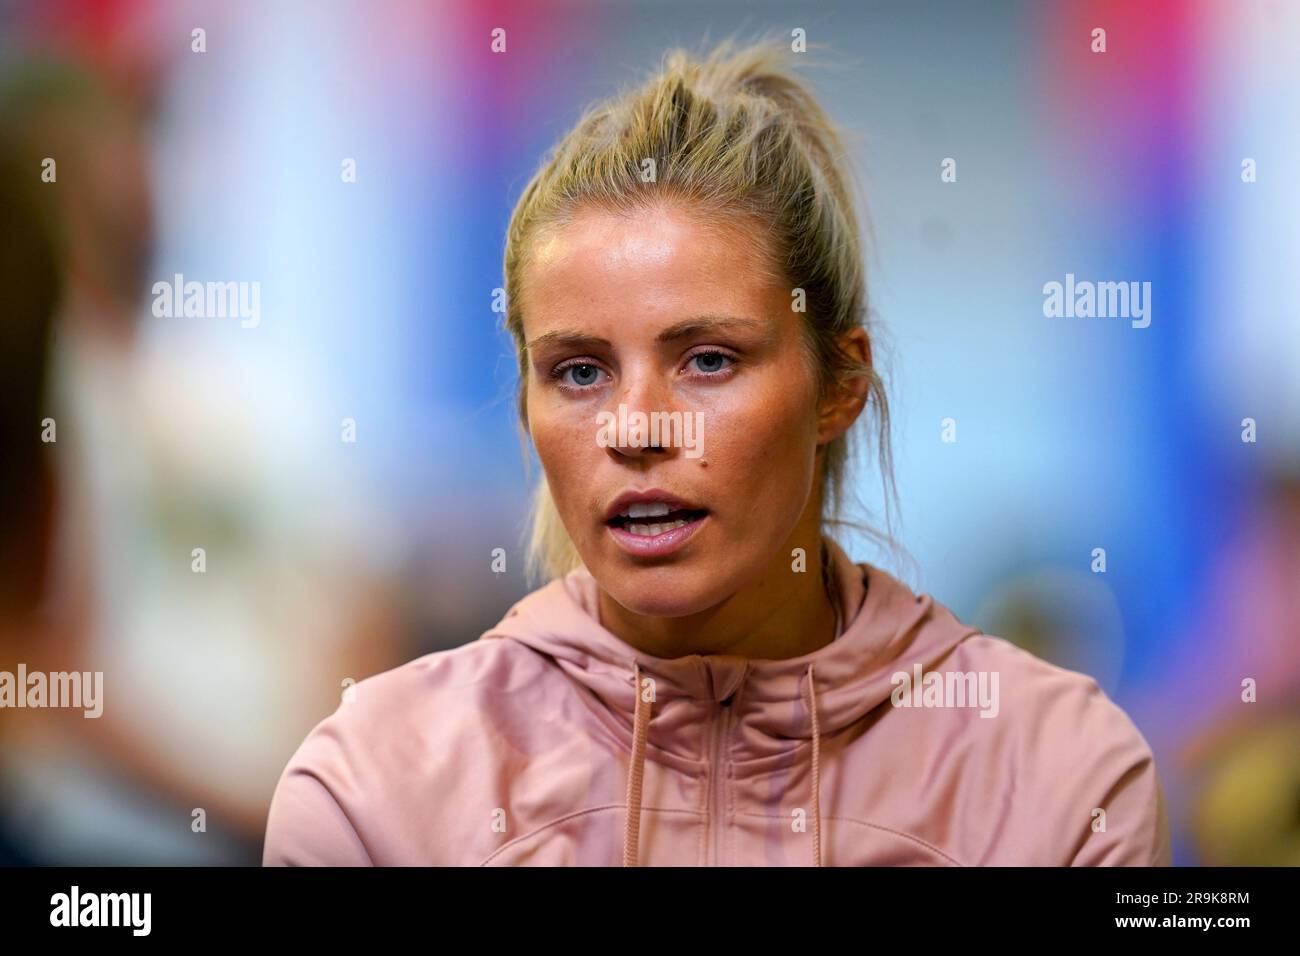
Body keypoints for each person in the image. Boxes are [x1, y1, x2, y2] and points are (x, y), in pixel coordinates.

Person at [263, 39, 1170, 867]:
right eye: (579, 372)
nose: (636, 427)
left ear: (840, 385)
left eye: (707, 360)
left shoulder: (1061, 776)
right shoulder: (372, 790)